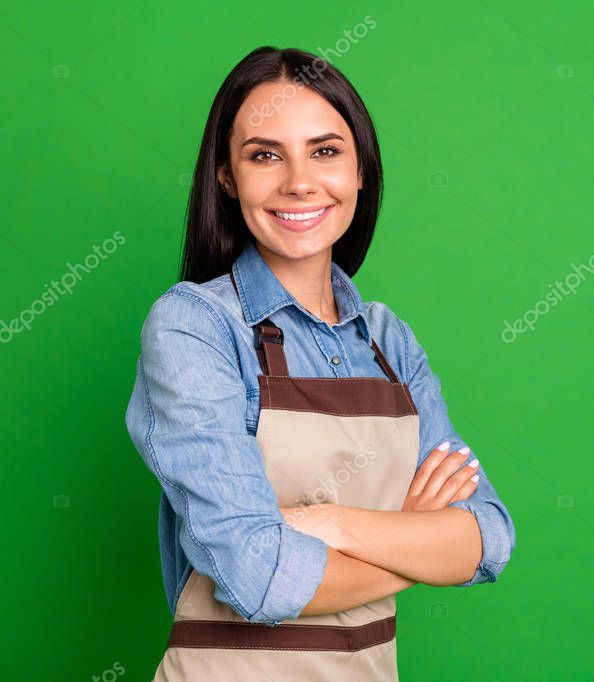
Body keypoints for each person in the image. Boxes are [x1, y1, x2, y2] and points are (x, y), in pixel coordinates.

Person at [124, 46, 515, 681]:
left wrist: (328, 522)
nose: (298, 181)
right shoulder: (194, 326)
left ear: (362, 170)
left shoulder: (388, 340)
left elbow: (487, 538)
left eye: (325, 150)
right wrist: (413, 540)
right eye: (264, 155)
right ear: (226, 175)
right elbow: (260, 578)